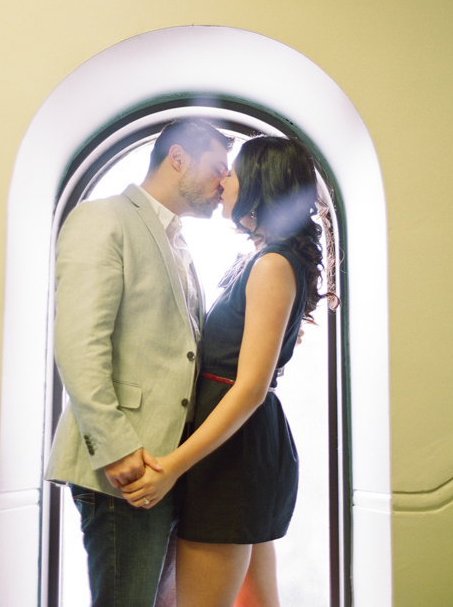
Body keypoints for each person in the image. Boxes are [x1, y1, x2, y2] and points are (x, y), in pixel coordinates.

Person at [120, 136, 336, 607]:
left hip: (233, 454)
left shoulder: (273, 264)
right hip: (238, 448)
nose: (222, 180)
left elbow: (250, 389)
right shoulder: (266, 258)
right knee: (255, 601)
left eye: (232, 173)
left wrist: (170, 469)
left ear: (261, 184)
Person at [45, 118, 233, 607]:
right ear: (177, 158)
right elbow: (79, 343)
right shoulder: (102, 218)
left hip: (166, 468)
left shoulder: (181, 243)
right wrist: (115, 449)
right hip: (125, 470)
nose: (223, 183)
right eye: (216, 168)